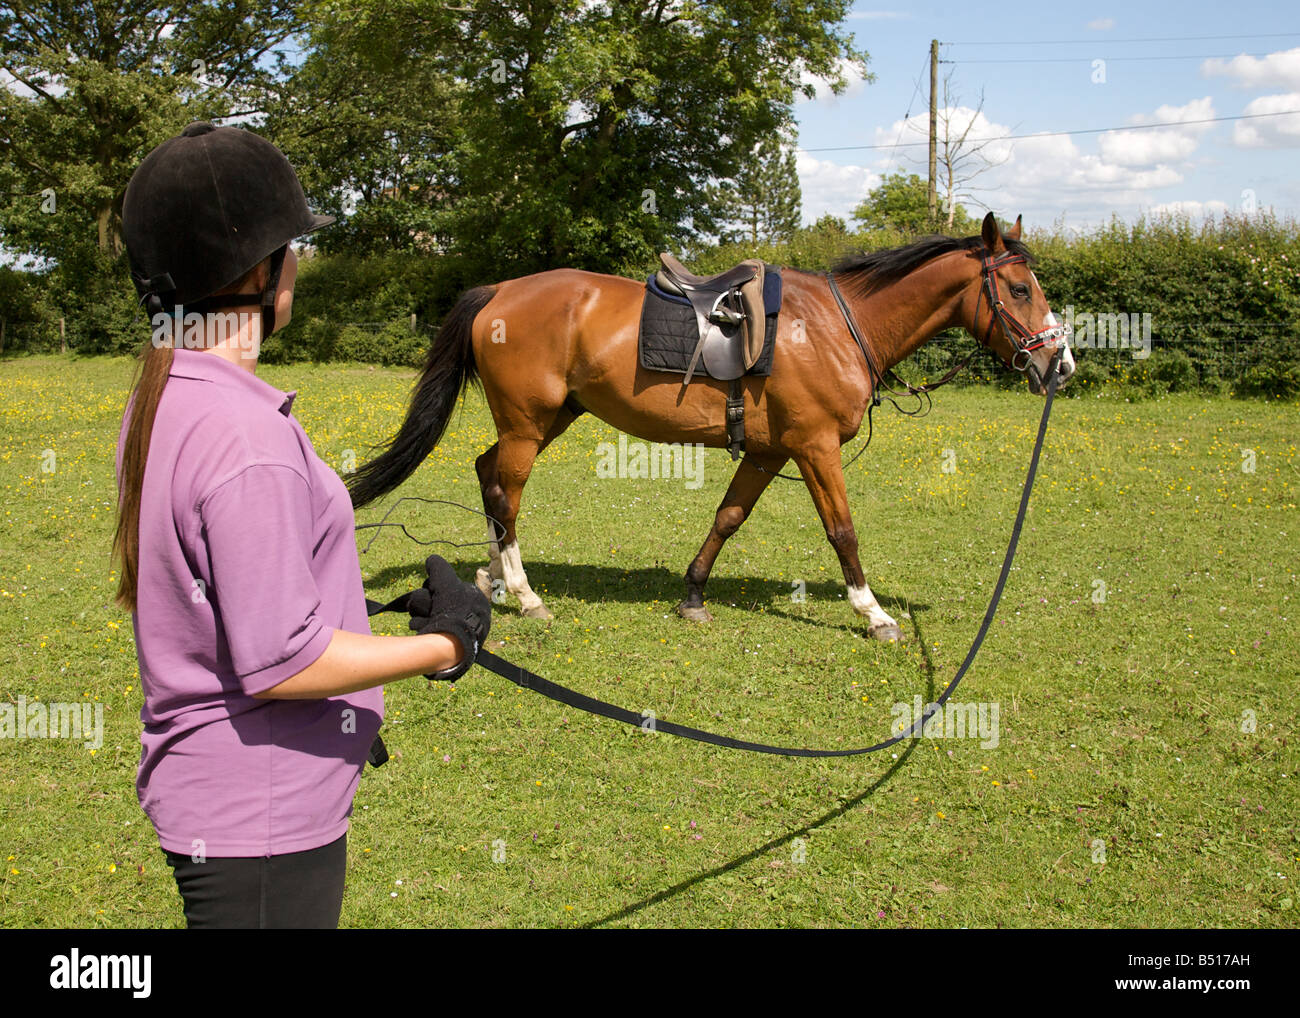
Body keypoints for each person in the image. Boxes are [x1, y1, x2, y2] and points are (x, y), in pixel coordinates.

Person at [112, 121, 491, 929]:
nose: (300, 265)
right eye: (293, 248)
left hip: (224, 795)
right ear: (259, 271)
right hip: (265, 811)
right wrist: (449, 641)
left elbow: (238, 600)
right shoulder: (250, 440)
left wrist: (370, 622)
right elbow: (283, 662)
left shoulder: (167, 395)